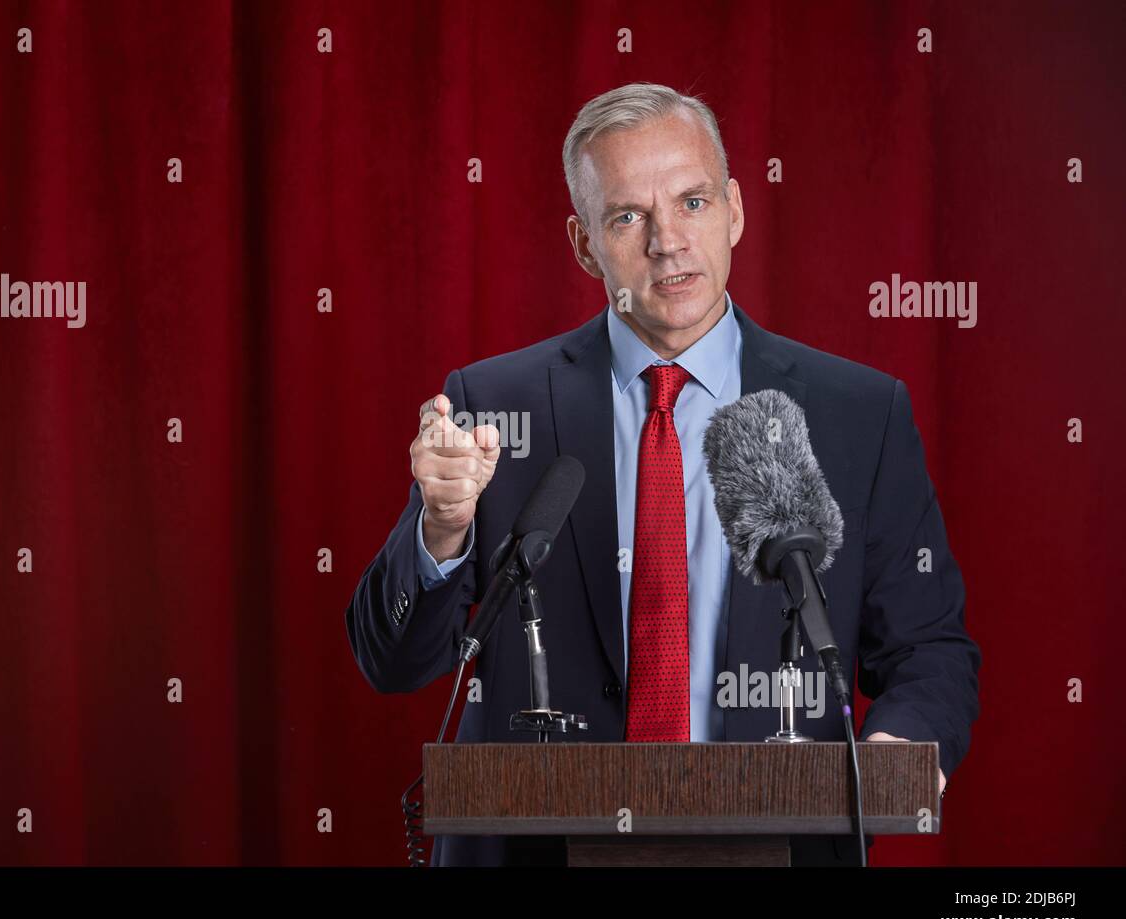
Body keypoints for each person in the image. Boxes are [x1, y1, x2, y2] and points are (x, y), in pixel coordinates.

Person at [346, 81, 981, 866]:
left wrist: (892, 755)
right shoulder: (490, 407)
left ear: (736, 211)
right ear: (584, 246)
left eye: (692, 202)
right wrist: (439, 531)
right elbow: (394, 659)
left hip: (778, 845)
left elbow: (930, 652)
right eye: (627, 217)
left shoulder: (859, 413)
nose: (667, 242)